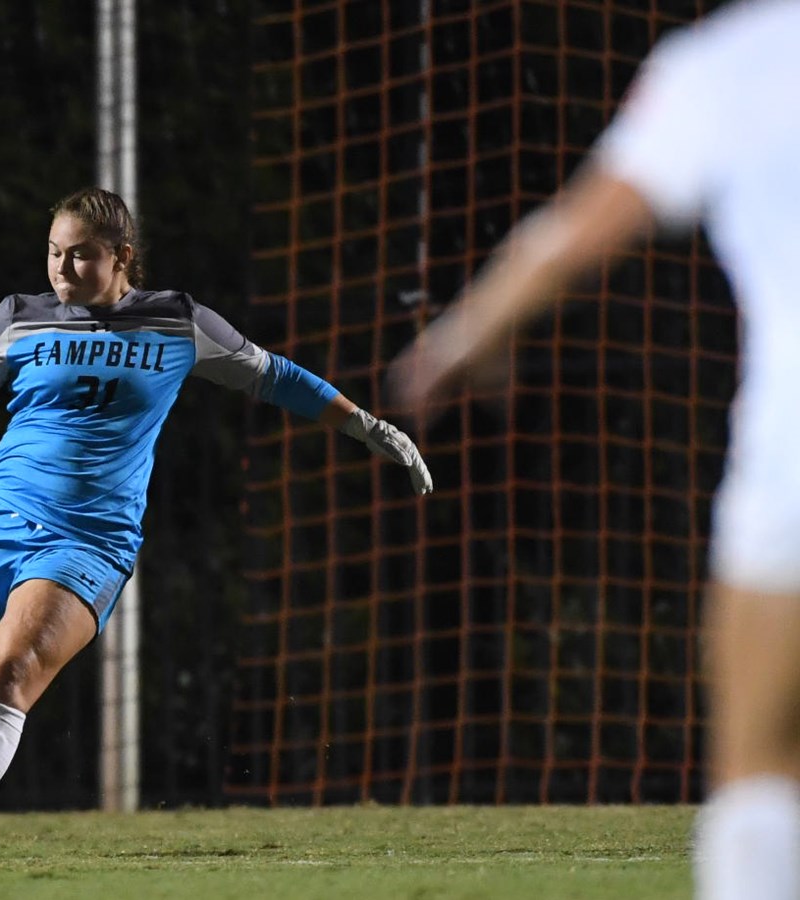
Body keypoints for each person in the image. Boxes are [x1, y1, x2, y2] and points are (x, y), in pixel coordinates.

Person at [0, 187, 433, 861]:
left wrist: (367, 427)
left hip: (89, 541)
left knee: (8, 675)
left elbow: (275, 375)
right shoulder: (21, 318)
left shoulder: (179, 322)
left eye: (80, 255)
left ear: (121, 257)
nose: (62, 268)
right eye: (54, 253)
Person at [388, 3, 800, 898]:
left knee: (762, 763)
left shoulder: (736, 61)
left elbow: (577, 230)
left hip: (791, 456)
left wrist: (461, 338)